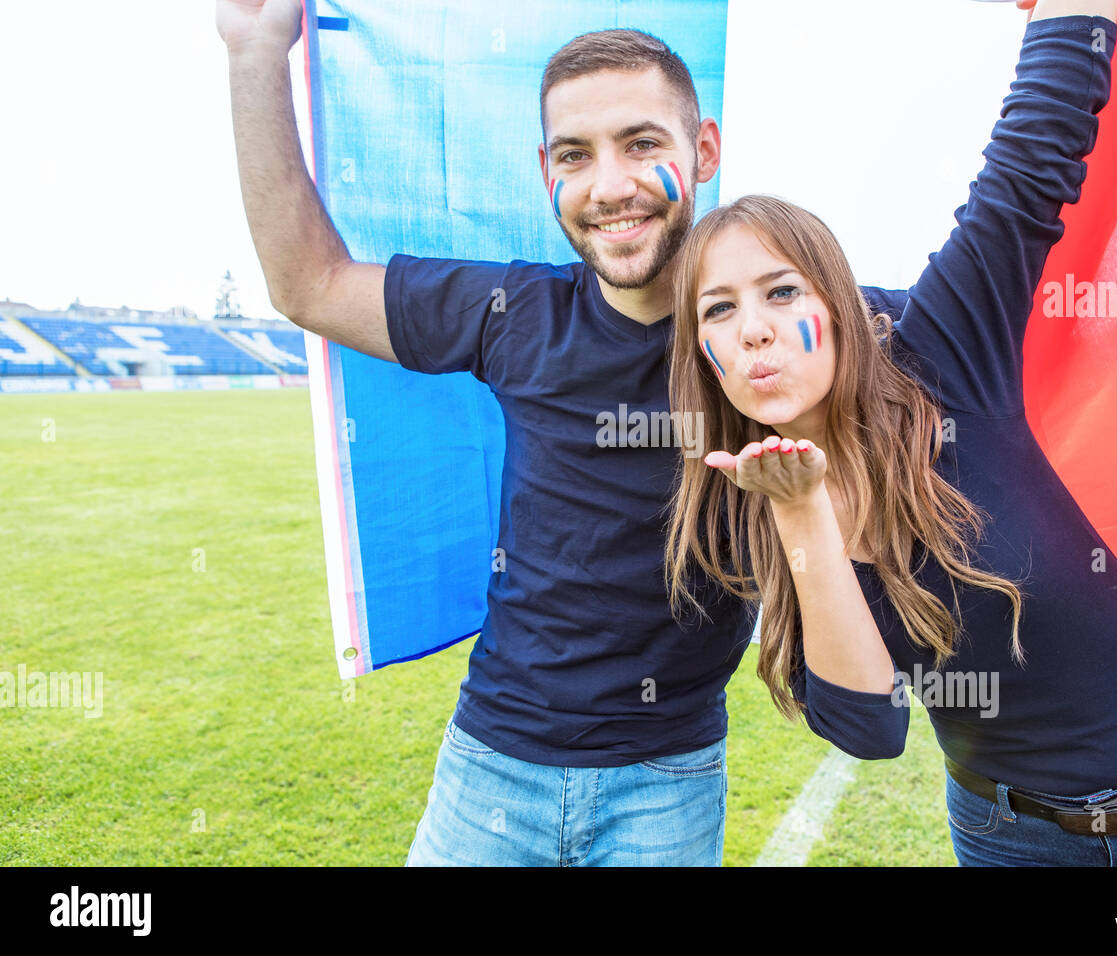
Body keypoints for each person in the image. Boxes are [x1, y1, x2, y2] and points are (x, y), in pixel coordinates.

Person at [216, 0, 924, 865]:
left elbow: (993, 297)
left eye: (642, 144)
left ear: (703, 150)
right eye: (574, 156)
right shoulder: (515, 314)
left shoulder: (787, 331)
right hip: (489, 768)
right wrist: (253, 49)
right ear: (544, 171)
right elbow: (310, 286)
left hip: (668, 786)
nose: (610, 185)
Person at [664, 0, 1117, 865]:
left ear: (839, 309)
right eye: (720, 310)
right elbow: (869, 726)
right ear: (706, 355)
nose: (755, 329)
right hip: (1014, 841)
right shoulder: (754, 500)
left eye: (782, 292)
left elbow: (1032, 161)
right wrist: (804, 511)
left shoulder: (941, 358)